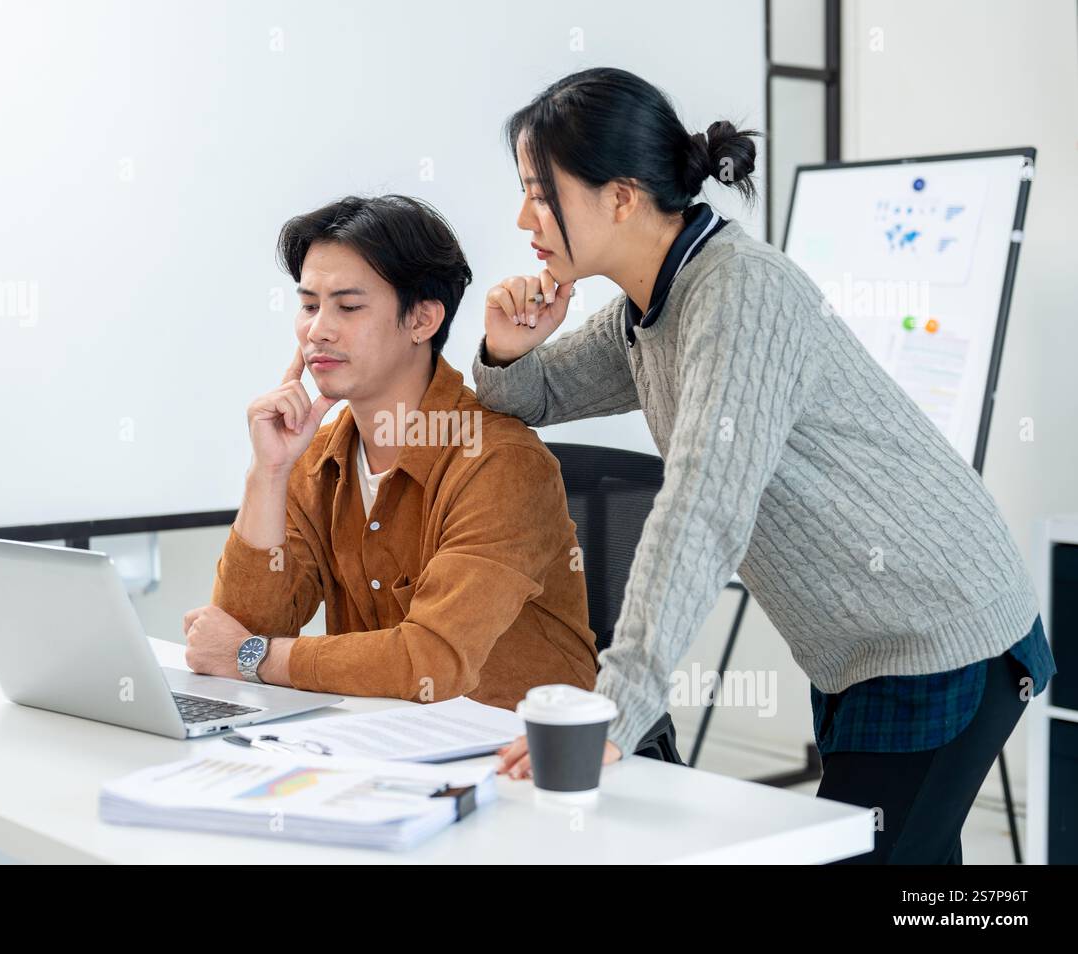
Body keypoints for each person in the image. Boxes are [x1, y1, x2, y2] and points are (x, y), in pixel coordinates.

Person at [476, 67, 1055, 863]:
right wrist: (506, 351)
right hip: (866, 654)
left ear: (619, 196)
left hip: (942, 634)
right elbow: (537, 393)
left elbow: (700, 512)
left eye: (541, 193)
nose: (523, 217)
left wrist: (620, 702)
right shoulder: (653, 309)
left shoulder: (739, 294)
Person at [183, 194, 597, 709]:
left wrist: (254, 658)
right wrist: (267, 473)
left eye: (348, 307)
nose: (318, 330)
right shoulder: (318, 456)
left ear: (422, 321)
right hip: (380, 750)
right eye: (309, 305)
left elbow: (430, 661)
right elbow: (243, 629)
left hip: (521, 763)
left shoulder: (500, 462)